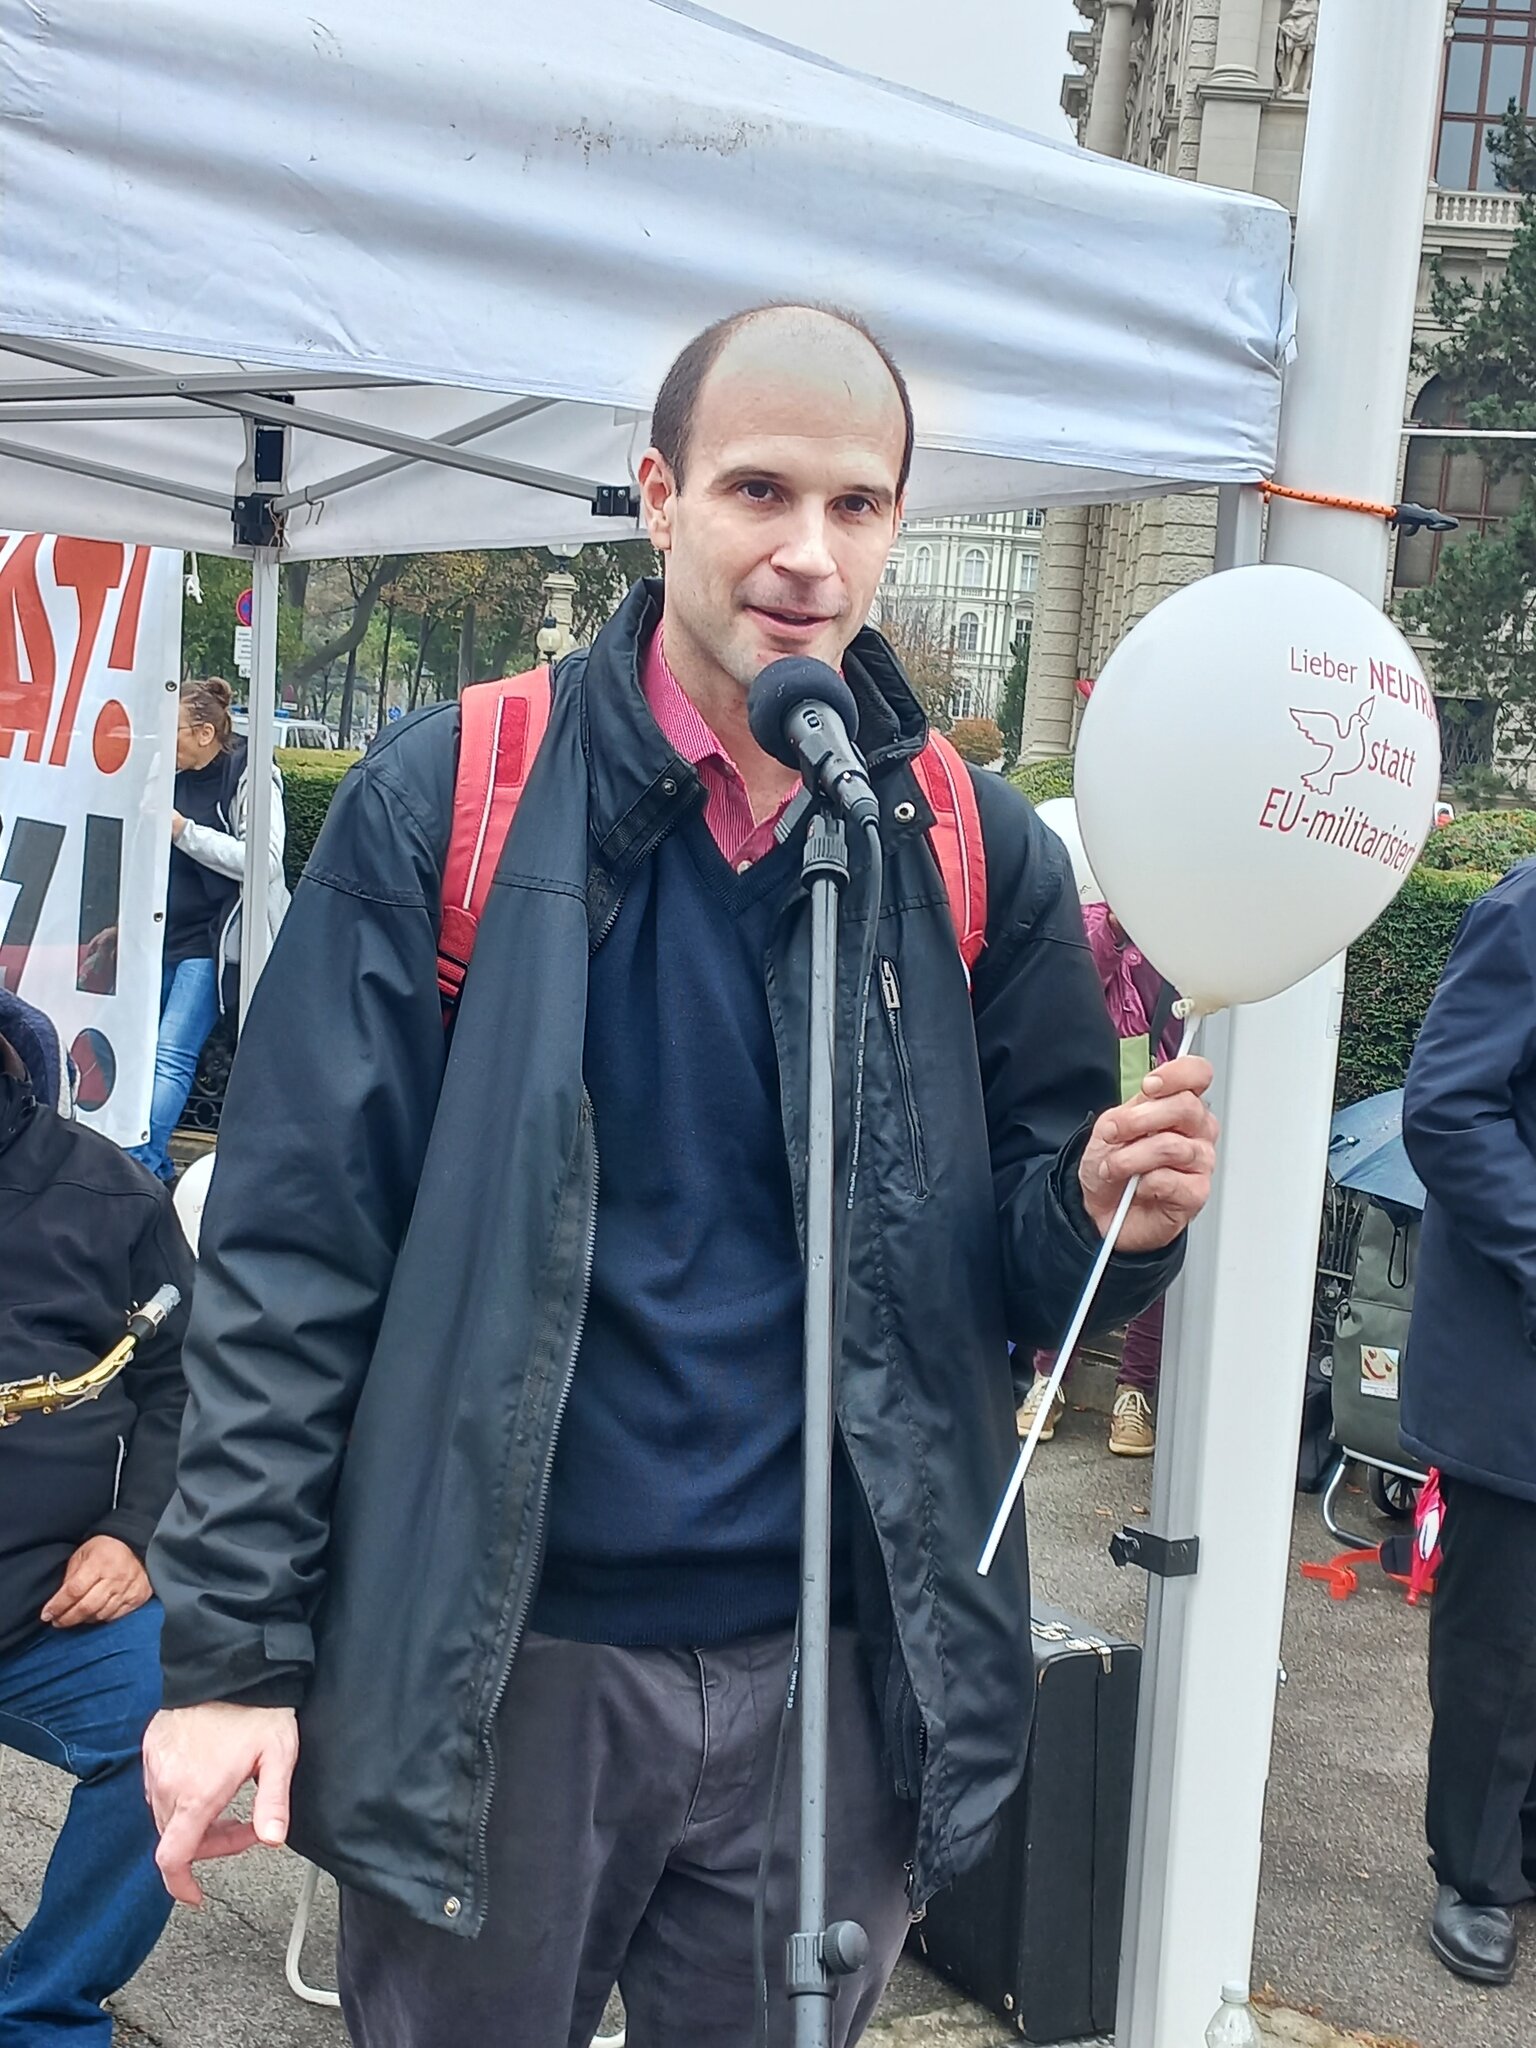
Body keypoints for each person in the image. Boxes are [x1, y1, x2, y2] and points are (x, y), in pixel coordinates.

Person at [143, 304, 1217, 2048]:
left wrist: (1103, 1219)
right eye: (757, 488)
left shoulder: (968, 847)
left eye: (858, 504)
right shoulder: (452, 803)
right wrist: (237, 1657)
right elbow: (289, 1259)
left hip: (837, 1675)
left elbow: (1007, 1285)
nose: (808, 551)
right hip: (503, 1673)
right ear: (656, 493)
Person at [0, 988, 193, 2045]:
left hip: (44, 1606)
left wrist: (140, 1530)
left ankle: (39, 2007)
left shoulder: (112, 1192)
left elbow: (189, 1382)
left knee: (178, 1710)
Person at [1400, 856, 1536, 1988]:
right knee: (1503, 1640)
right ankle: (1478, 1874)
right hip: (1517, 1359)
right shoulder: (1527, 906)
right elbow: (1446, 1103)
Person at [1017, 895, 1181, 1457]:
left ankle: (1134, 1393)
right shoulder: (1085, 920)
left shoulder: (1179, 935)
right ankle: (1050, 1375)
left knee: (1146, 1245)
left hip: (1147, 1101)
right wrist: (1117, 925)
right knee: (1073, 1234)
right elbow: (1072, 982)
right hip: (1082, 1107)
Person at [126, 676, 288, 1184]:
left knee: (171, 1054)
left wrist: (184, 832)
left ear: (203, 733)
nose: (161, 740)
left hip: (211, 940)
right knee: (138, 1049)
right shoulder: (164, 772)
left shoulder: (248, 772)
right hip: (156, 933)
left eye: (169, 730)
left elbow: (265, 861)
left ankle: (138, 1165)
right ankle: (147, 1163)